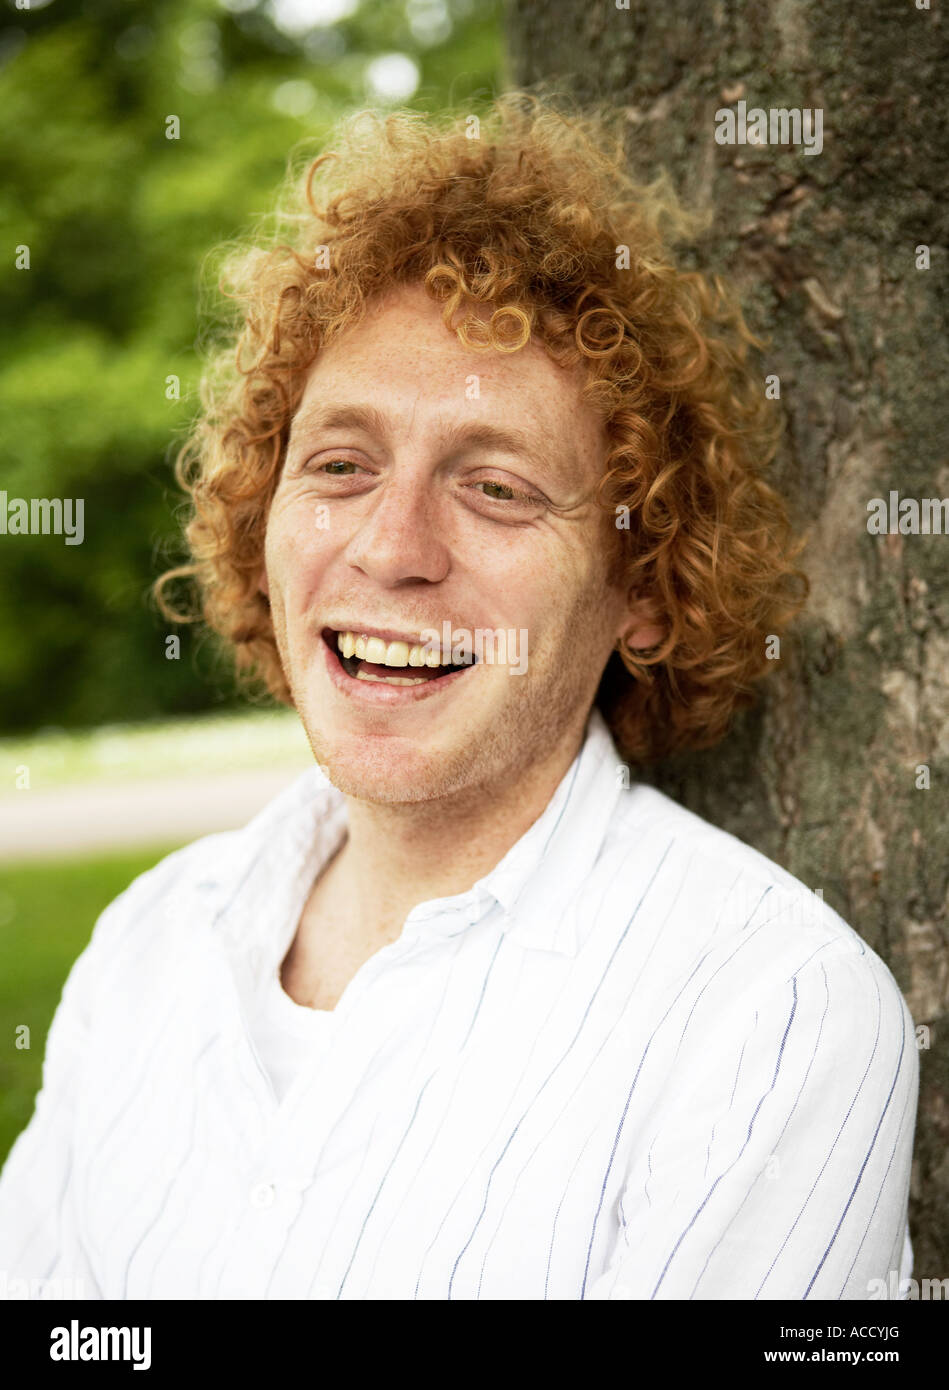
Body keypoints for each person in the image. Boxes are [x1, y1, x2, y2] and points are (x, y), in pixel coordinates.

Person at [0, 93, 917, 1300]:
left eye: (495, 488)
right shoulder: (146, 945)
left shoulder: (767, 1015)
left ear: (641, 588)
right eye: (340, 464)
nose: (393, 547)